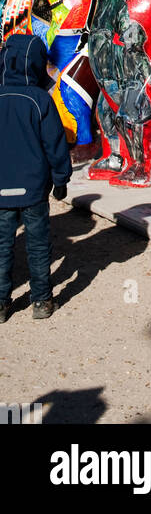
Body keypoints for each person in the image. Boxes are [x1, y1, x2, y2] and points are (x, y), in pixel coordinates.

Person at [0, 32, 72, 320]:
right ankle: (41, 300)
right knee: (38, 245)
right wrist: (61, 179)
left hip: (2, 189)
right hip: (34, 189)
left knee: (2, 246)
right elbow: (55, 144)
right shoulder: (39, 99)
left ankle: (1, 303)